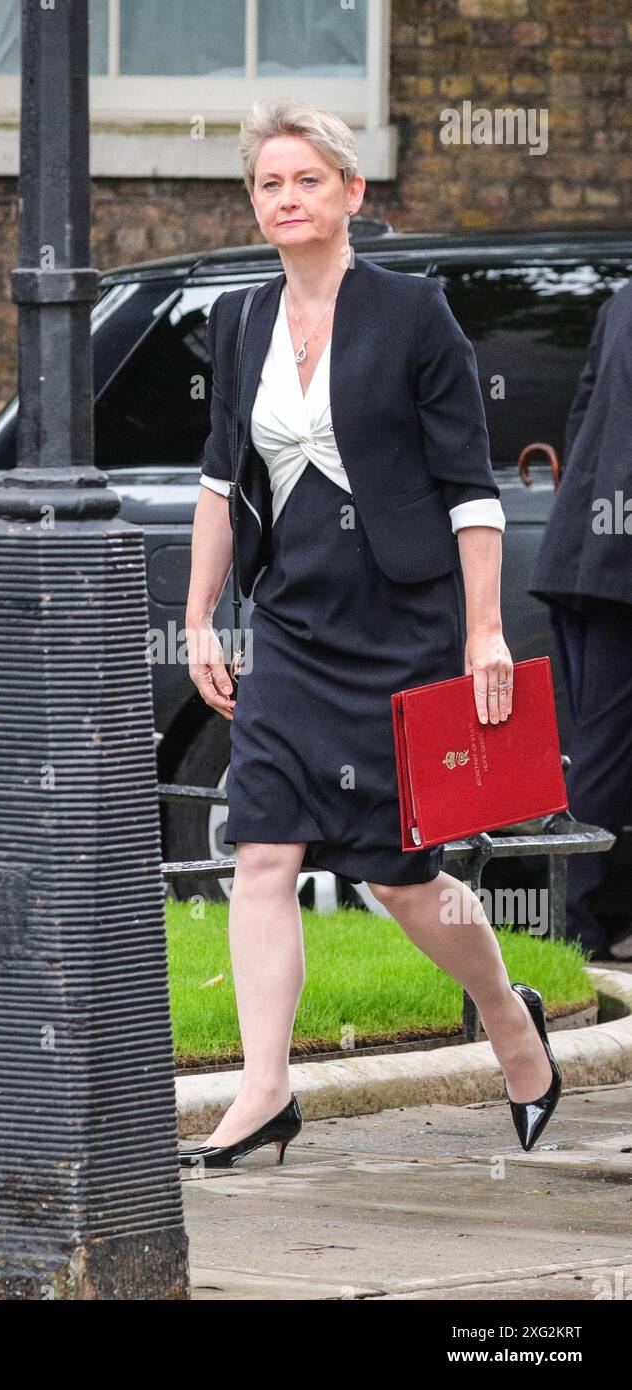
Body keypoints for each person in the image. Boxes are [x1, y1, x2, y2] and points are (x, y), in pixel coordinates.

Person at [180, 98, 561, 1169]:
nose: (285, 198)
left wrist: (483, 633)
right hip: (292, 618)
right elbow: (221, 481)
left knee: (401, 877)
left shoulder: (412, 315)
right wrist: (199, 612)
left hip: (399, 624)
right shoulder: (240, 320)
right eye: (267, 182)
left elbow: (470, 493)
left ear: (350, 193)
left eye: (306, 179)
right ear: (254, 202)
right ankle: (263, 1089)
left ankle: (503, 1013)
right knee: (260, 848)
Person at [529, 280, 632, 964]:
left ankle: (584, 922)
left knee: (602, 742)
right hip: (610, 561)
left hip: (588, 556)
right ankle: (579, 926)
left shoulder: (621, 298)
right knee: (606, 749)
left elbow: (584, 415)